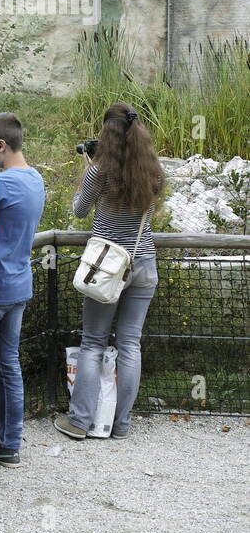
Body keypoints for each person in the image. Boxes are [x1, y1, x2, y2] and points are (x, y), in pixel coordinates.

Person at [54, 102, 165, 441]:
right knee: (131, 344)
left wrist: (89, 167)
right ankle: (121, 425)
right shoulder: (153, 170)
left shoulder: (99, 170)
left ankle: (81, 422)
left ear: (106, 133)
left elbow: (79, 210)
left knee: (93, 343)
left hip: (107, 267)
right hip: (143, 262)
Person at [0, 113, 45, 468]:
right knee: (9, 366)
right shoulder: (35, 179)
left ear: (1, 145)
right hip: (19, 283)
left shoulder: (3, 184)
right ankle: (9, 444)